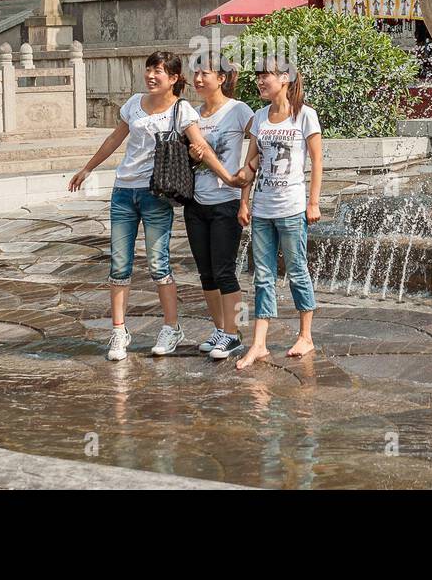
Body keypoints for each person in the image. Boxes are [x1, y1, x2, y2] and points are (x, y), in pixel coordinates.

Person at [67, 51, 242, 362]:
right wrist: (88, 168)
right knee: (119, 264)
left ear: (173, 78)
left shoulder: (182, 109)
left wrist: (229, 178)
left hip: (157, 195)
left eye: (158, 71)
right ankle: (119, 331)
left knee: (158, 264)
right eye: (148, 69)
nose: (150, 75)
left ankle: (173, 328)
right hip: (124, 192)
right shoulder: (134, 103)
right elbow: (114, 138)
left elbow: (200, 146)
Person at [236, 59, 322, 371]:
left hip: (291, 207)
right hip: (262, 208)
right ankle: (259, 344)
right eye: (258, 76)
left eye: (266, 76)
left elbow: (317, 161)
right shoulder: (260, 117)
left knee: (297, 270)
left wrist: (313, 202)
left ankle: (305, 336)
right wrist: (244, 201)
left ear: (284, 78)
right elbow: (250, 163)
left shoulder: (305, 115)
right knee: (263, 275)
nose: (260, 81)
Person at [184, 55, 254, 359]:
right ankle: (220, 329)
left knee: (226, 272)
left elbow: (262, 140)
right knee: (206, 273)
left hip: (226, 202)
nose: (198, 79)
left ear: (222, 78)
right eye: (196, 74)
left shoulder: (238, 110)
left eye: (205, 74)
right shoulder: (193, 114)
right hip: (196, 203)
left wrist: (247, 177)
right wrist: (191, 155)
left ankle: (235, 333)